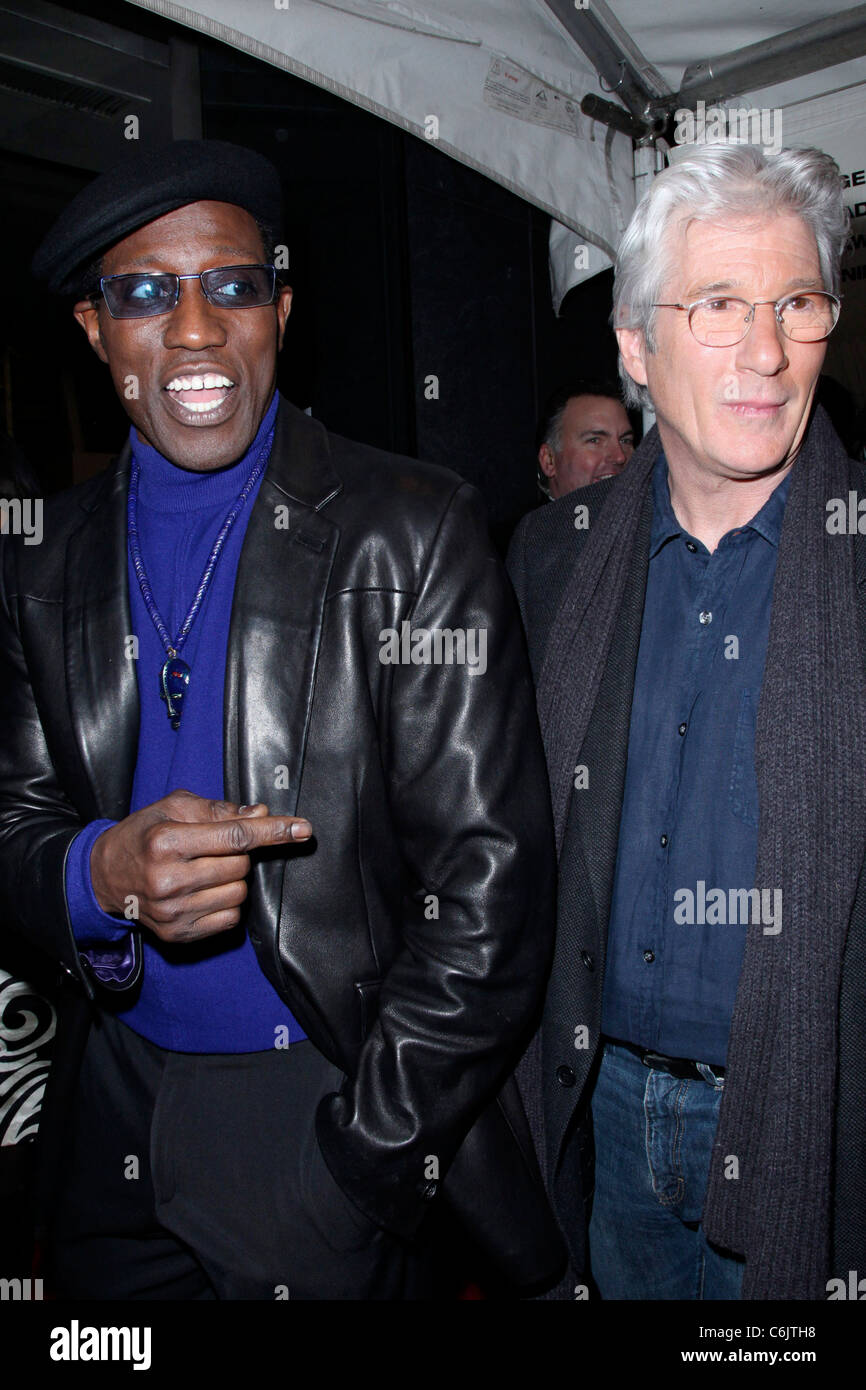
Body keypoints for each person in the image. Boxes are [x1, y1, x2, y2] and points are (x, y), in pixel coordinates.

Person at [0, 138, 564, 1301]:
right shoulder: (40, 561)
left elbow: (492, 889)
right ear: (93, 331)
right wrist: (98, 873)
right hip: (108, 1111)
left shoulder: (408, 530)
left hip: (315, 1112)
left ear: (282, 309)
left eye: (233, 285)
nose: (196, 327)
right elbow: (13, 824)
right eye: (145, 294)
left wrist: (360, 1160)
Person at [508, 141, 866, 1301]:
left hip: (812, 1111)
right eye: (716, 305)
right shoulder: (552, 560)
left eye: (795, 303)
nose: (765, 352)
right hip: (596, 1103)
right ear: (632, 349)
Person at [536, 380, 634, 499]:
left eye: (625, 441)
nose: (620, 457)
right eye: (595, 440)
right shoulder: (534, 518)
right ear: (549, 461)